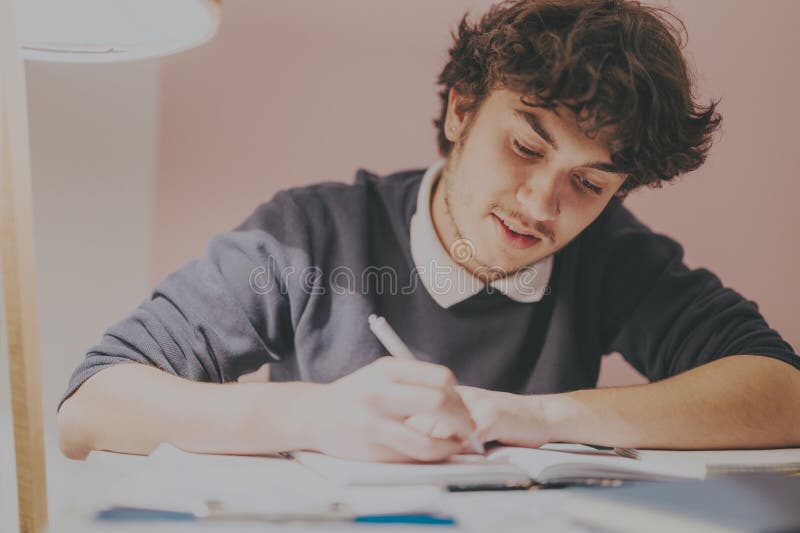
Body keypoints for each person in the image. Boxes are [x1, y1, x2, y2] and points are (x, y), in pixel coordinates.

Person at [58, 0, 800, 462]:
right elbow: (90, 408)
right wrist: (315, 415)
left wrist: (537, 417)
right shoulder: (309, 237)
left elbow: (783, 392)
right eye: (527, 146)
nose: (542, 204)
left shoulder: (611, 257)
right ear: (461, 109)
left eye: (589, 182)